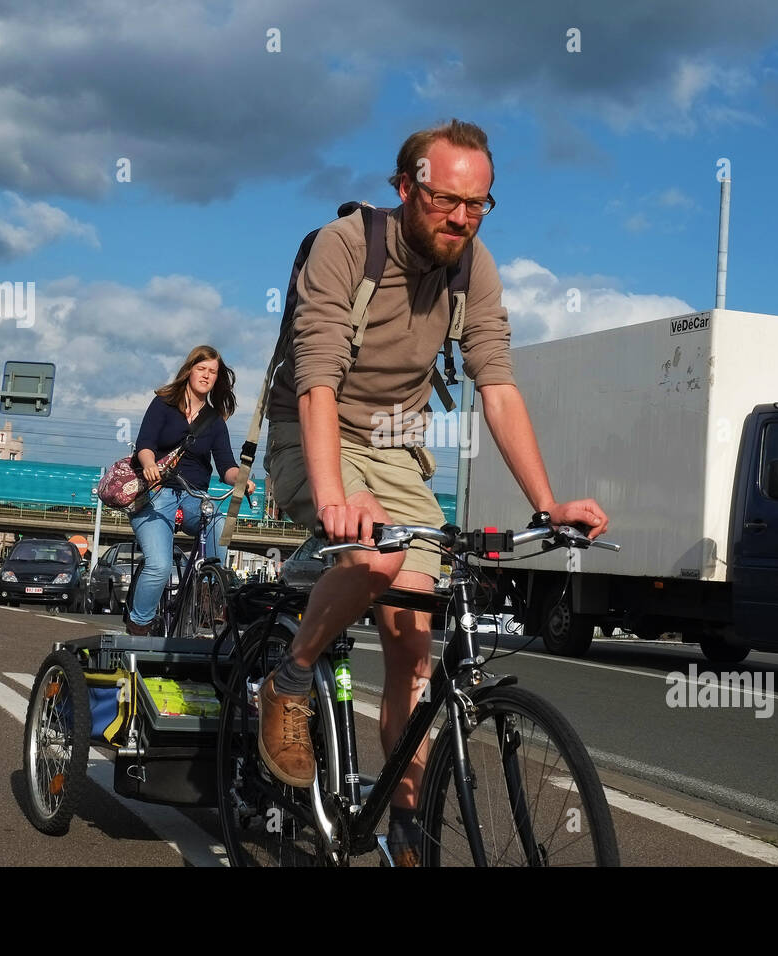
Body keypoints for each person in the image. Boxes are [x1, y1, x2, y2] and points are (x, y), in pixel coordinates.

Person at [262, 119, 609, 865]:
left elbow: (499, 387)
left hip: (393, 445)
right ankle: (289, 679)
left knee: (413, 643)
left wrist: (547, 504)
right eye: (446, 199)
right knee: (373, 558)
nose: (461, 217)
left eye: (478, 203)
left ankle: (408, 830)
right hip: (310, 430)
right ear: (406, 188)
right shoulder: (346, 247)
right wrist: (334, 502)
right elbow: (318, 379)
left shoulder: (472, 266)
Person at [126, 345, 253, 636]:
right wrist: (148, 465)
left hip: (195, 497)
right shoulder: (163, 404)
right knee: (158, 567)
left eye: (213, 372)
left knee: (219, 521)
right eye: (202, 368)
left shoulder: (215, 420)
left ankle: (211, 591)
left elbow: (226, 467)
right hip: (157, 493)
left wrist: (242, 479)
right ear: (189, 369)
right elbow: (145, 444)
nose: (207, 375)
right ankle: (139, 626)